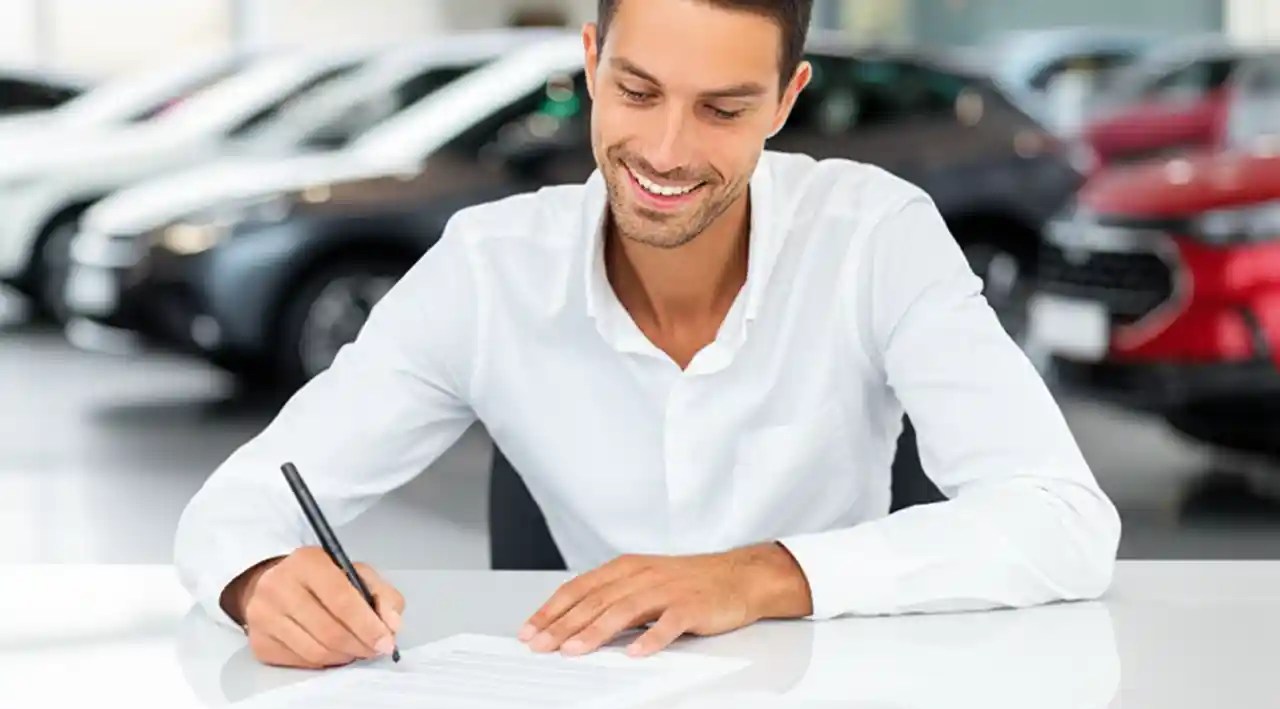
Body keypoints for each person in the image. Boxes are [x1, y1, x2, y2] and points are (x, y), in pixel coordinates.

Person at [175, 0, 1121, 670]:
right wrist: (262, 580)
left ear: (787, 101)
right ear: (590, 62)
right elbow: (239, 505)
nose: (666, 151)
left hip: (840, 692)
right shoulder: (488, 265)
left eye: (723, 108)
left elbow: (1065, 522)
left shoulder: (875, 234)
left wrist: (758, 575)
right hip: (595, 691)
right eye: (635, 91)